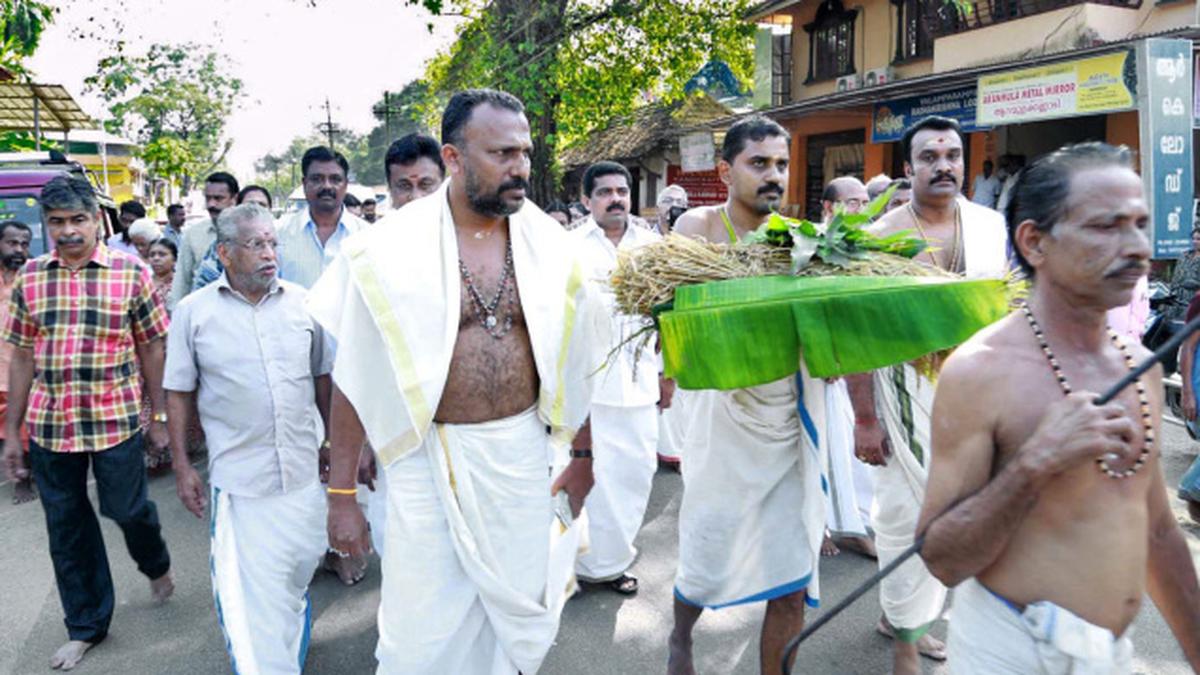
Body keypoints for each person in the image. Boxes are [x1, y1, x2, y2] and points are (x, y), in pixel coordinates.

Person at [309, 88, 599, 674]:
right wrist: (342, 495)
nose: (519, 167)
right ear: (454, 158)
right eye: (501, 154)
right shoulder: (386, 250)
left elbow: (575, 356)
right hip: (424, 462)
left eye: (524, 152)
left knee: (514, 622)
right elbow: (354, 379)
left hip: (521, 456)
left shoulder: (551, 246)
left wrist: (584, 454)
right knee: (422, 635)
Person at [919, 142, 1200, 673]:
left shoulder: (1139, 364)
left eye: (1139, 224)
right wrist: (1034, 464)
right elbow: (942, 559)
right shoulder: (980, 371)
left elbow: (1158, 533)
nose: (1137, 247)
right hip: (1009, 651)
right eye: (1106, 226)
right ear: (1034, 242)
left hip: (1110, 657)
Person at [849, 115, 1009, 674]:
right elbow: (858, 337)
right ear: (907, 167)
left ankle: (926, 615)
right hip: (901, 391)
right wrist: (865, 418)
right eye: (929, 156)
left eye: (953, 154)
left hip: (974, 396)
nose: (944, 165)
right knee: (901, 515)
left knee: (962, 508)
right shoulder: (878, 236)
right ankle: (904, 629)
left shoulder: (990, 225)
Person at [669, 115, 827, 675]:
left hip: (788, 417)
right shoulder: (697, 229)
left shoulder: (802, 241)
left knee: (790, 571)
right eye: (759, 163)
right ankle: (680, 635)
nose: (774, 175)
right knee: (707, 552)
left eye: (781, 164)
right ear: (725, 169)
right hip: (723, 415)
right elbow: (676, 318)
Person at [1, 176, 174, 671]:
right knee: (67, 527)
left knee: (127, 508)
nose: (68, 231)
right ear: (46, 224)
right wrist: (13, 432)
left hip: (114, 419)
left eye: (78, 220)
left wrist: (159, 415)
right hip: (52, 424)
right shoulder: (32, 277)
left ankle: (155, 561)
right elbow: (21, 356)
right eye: (57, 222)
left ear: (96, 221)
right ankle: (86, 625)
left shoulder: (132, 272)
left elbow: (152, 346)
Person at [165, 203, 333, 674]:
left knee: (295, 579)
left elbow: (323, 379)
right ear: (224, 253)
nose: (268, 254)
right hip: (241, 483)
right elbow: (178, 393)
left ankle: (286, 652)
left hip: (303, 474)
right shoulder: (193, 314)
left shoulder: (305, 304)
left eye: (272, 243)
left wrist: (332, 448)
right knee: (250, 603)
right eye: (255, 244)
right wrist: (181, 466)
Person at [570, 160, 665, 595]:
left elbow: (671, 314)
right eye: (605, 192)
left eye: (622, 191)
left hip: (643, 380)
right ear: (587, 200)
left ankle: (614, 562)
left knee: (635, 476)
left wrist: (671, 375)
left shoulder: (653, 247)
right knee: (591, 479)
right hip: (589, 387)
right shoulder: (569, 248)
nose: (616, 199)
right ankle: (578, 566)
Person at [816, 176, 878, 561]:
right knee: (820, 447)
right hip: (822, 366)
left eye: (864, 202)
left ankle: (853, 526)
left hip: (857, 363)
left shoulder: (868, 245)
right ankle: (818, 527)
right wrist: (826, 354)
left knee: (855, 450)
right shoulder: (810, 245)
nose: (860, 209)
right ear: (828, 208)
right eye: (852, 202)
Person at [275, 146, 366, 289]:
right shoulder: (279, 234)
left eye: (335, 179)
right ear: (304, 184)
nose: (327, 186)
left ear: (346, 185)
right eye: (317, 179)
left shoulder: (366, 235)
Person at [171, 172, 238, 310]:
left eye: (218, 198)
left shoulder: (247, 233)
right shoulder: (193, 234)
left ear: (234, 199)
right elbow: (182, 280)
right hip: (201, 314)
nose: (211, 204)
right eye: (208, 198)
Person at [0, 220, 33, 503]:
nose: (18, 249)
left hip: (21, 368)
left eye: (24, 244)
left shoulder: (34, 278)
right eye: (12, 243)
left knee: (22, 428)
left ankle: (23, 481)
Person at [384, 132, 445, 210]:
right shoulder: (385, 222)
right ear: (390, 189)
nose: (416, 197)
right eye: (404, 186)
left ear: (444, 185)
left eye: (425, 185)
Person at [1166, 225, 1200, 323]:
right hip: (1175, 301)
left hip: (1192, 303)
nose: (1195, 242)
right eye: (1193, 239)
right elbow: (1175, 276)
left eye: (1198, 239)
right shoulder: (1184, 255)